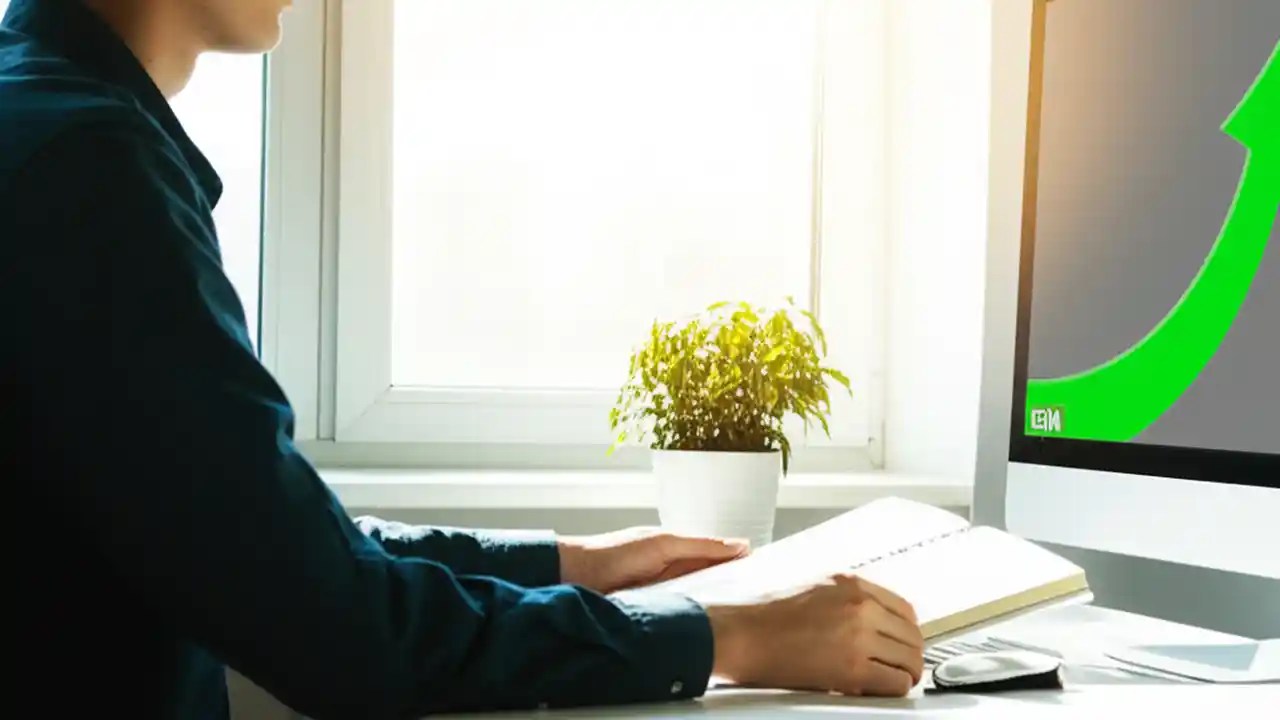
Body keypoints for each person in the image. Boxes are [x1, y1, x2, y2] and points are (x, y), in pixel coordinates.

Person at [0, 1, 926, 718]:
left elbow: (264, 544)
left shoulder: (49, 123)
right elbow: (338, 632)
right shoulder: (92, 173)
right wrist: (730, 638)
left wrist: (570, 562)